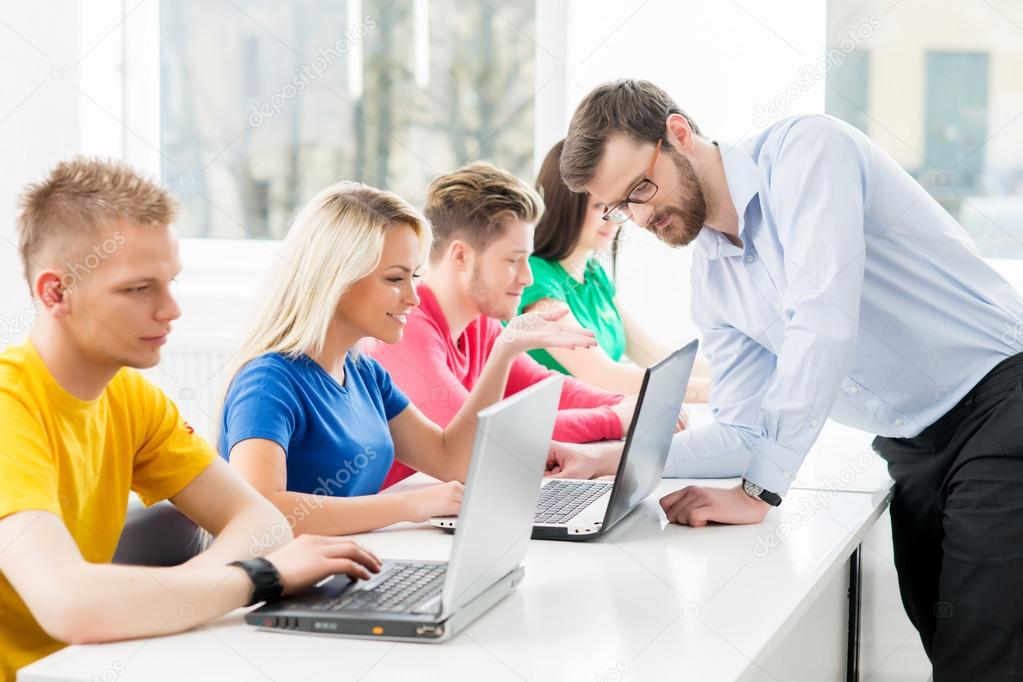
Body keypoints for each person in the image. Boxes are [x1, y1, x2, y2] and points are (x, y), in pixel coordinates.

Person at [556, 79, 1023, 678]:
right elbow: (741, 428)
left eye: (641, 188)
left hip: (1000, 401)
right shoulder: (714, 280)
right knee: (945, 634)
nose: (642, 217)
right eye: (622, 207)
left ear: (678, 134)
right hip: (913, 447)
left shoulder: (807, 153)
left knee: (979, 655)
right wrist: (607, 461)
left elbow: (822, 321)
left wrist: (759, 491)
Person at [0, 159, 381, 681]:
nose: (171, 309)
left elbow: (262, 522)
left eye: (170, 283)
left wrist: (193, 589)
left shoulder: (131, 396)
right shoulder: (9, 408)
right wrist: (260, 579)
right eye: (139, 289)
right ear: (55, 293)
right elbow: (70, 606)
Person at [220, 181, 597, 535]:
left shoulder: (364, 373)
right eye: (395, 279)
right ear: (336, 278)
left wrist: (505, 351)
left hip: (351, 563)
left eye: (415, 277)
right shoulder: (268, 382)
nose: (414, 298)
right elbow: (261, 511)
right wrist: (409, 505)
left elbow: (453, 460)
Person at [370, 162, 652, 488]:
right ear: (461, 256)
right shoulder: (407, 329)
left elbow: (546, 387)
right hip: (374, 528)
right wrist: (614, 420)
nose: (527, 277)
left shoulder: (480, 324)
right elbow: (484, 440)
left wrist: (622, 404)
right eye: (512, 260)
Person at [522, 139, 711, 400]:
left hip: (599, 423)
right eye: (600, 206)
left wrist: (728, 375)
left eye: (618, 205)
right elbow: (604, 376)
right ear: (565, 206)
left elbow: (653, 355)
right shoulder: (534, 278)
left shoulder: (593, 274)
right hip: (559, 431)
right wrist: (715, 392)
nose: (614, 219)